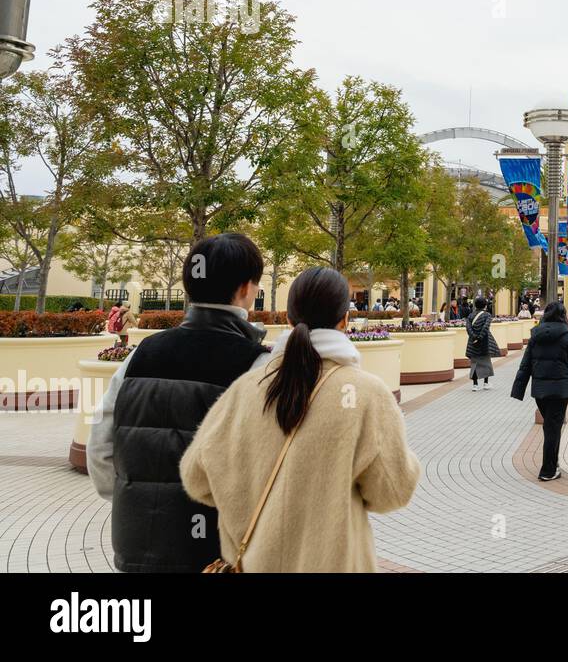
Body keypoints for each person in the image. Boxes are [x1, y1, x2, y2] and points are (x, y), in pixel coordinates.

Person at [179, 266, 420, 571]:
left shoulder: (245, 389)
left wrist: (243, 498)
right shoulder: (366, 394)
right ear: (344, 321)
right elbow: (392, 492)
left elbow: (195, 477)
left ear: (289, 320)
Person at [87, 232, 273, 572]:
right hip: (215, 552)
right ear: (246, 289)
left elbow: (99, 448)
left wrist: (134, 500)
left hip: (136, 544)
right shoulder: (256, 364)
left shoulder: (140, 355)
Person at [511, 302, 568, 480]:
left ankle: (553, 463)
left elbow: (525, 364)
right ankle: (548, 470)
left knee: (550, 427)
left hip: (540, 391)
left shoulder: (536, 335)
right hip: (560, 390)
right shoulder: (567, 337)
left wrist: (518, 389)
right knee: (552, 428)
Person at [466, 296, 500, 391]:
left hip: (472, 342)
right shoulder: (487, 315)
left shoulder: (470, 316)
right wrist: (480, 338)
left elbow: (468, 329)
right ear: (485, 305)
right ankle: (486, 383)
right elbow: (486, 328)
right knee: (486, 362)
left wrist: (474, 337)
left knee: (474, 363)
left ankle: (475, 385)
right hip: (484, 342)